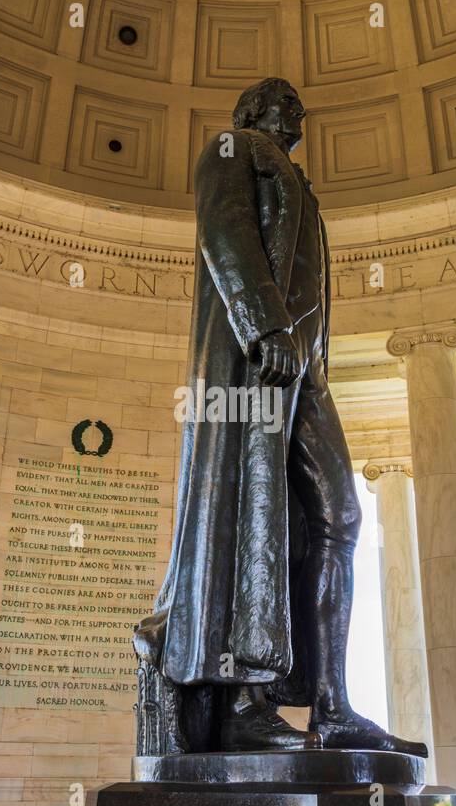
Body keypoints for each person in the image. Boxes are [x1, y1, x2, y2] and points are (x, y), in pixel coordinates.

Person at [134, 77, 427, 757]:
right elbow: (226, 230)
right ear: (247, 113)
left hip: (305, 372)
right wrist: (261, 322)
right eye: (276, 99)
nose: (291, 109)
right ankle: (241, 697)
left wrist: (300, 352)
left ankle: (331, 708)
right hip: (252, 357)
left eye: (295, 102)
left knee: (338, 518)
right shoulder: (233, 149)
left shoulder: (298, 182)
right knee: (250, 516)